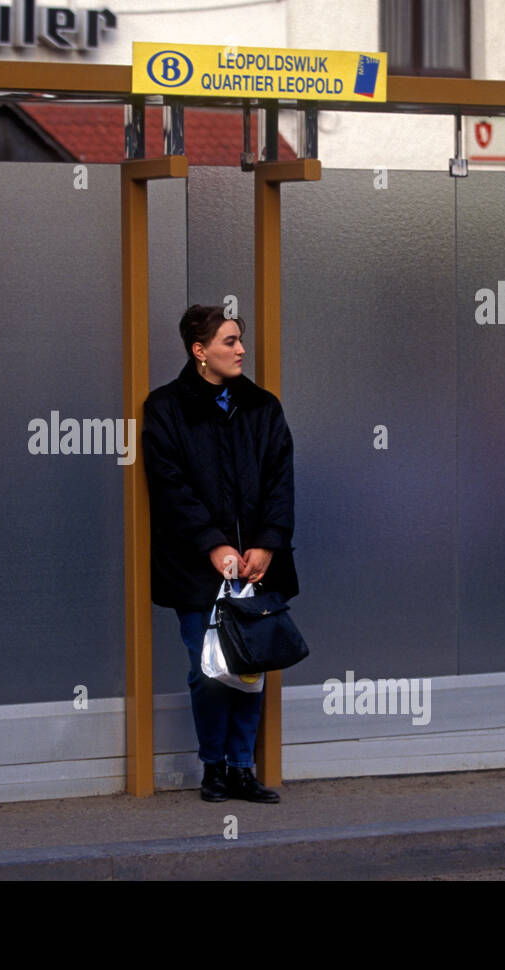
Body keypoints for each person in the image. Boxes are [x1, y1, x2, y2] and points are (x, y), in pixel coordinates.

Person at [141, 304, 298, 803]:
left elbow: (280, 479)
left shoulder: (262, 406)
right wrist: (212, 544)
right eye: (230, 341)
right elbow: (169, 487)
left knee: (252, 668)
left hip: (256, 566)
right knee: (208, 668)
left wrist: (268, 543)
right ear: (199, 350)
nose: (241, 350)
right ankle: (213, 768)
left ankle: (241, 768)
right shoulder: (166, 407)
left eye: (240, 340)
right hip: (196, 568)